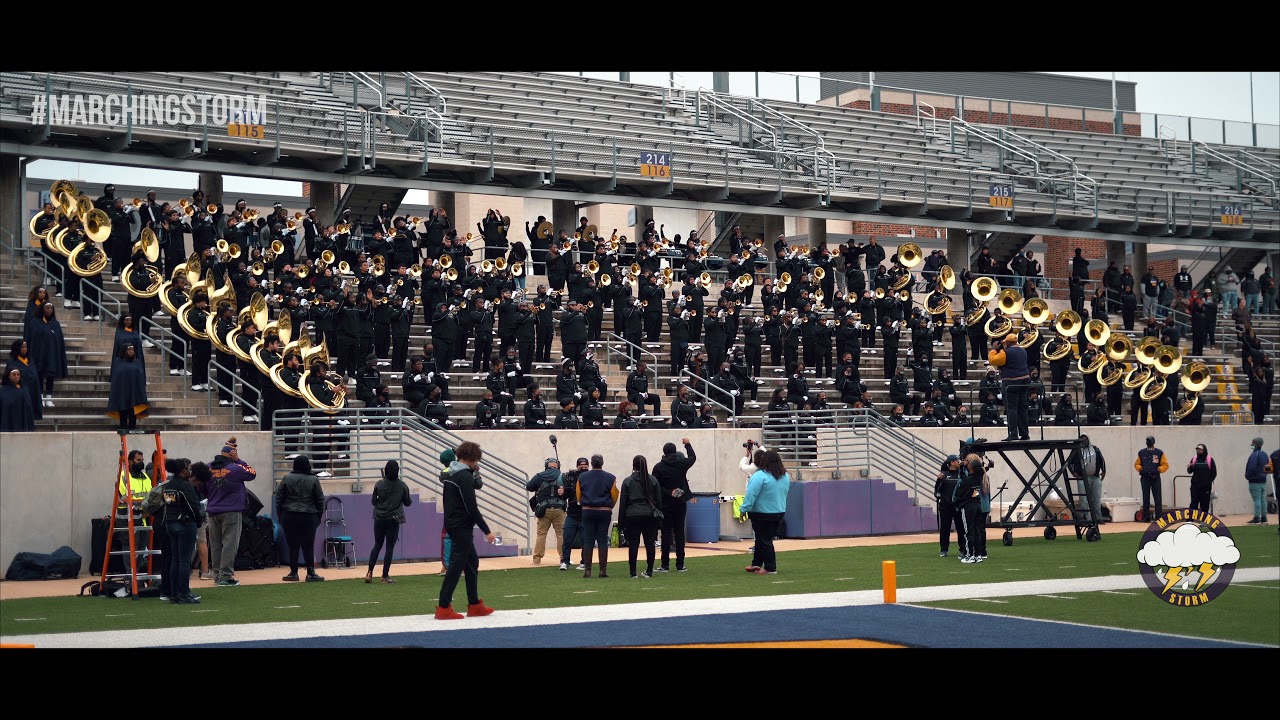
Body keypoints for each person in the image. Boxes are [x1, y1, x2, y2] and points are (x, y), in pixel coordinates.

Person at [435, 441, 497, 619]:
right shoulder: (464, 476)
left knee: (471, 562)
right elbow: (471, 507)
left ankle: (474, 604)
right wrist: (487, 530)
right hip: (462, 524)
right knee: (457, 564)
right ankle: (443, 607)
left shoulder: (451, 473)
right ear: (472, 458)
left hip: (453, 523)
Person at [206, 438, 257, 587]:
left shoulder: (208, 468)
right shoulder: (236, 468)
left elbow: (202, 488)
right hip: (231, 511)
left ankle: (217, 575)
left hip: (213, 510)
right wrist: (239, 460)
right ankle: (226, 576)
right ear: (232, 455)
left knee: (215, 544)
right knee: (230, 544)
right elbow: (252, 473)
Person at [275, 454, 326, 582]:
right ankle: (310, 572)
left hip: (289, 515)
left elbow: (279, 499)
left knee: (293, 545)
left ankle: (293, 572)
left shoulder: (287, 478)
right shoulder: (313, 479)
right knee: (308, 545)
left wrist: (281, 516)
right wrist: (318, 517)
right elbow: (320, 500)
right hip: (309, 516)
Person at [160, 457, 203, 605]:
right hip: (185, 524)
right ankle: (185, 594)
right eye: (188, 468)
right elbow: (194, 507)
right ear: (183, 470)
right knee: (184, 561)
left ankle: (174, 594)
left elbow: (168, 504)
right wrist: (198, 521)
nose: (190, 470)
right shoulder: (186, 486)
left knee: (175, 560)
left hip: (170, 523)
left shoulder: (168, 485)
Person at [741, 449, 790, 574]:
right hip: (778, 511)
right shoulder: (785, 476)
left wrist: (744, 509)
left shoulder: (759, 476)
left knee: (765, 540)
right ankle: (756, 563)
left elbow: (750, 495)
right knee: (762, 538)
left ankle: (770, 567)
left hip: (761, 513)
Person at [653, 438, 696, 573]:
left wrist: (668, 492)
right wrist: (687, 444)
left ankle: (665, 564)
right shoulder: (681, 464)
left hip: (666, 504)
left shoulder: (658, 467)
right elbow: (692, 457)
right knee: (679, 533)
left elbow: (656, 486)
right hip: (680, 502)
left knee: (666, 534)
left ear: (664, 452)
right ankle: (680, 564)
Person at [367, 459, 412, 583]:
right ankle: (384, 576)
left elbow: (373, 502)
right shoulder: (402, 485)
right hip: (393, 520)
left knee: (377, 545)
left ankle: (369, 573)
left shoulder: (379, 484)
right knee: (389, 548)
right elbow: (408, 503)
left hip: (379, 519)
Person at [619, 455, 662, 579]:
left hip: (632, 515)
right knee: (650, 543)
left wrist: (621, 523)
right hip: (649, 515)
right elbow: (658, 501)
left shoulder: (628, 481)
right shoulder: (653, 480)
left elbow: (623, 503)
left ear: (633, 465)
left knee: (633, 544)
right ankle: (649, 571)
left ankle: (633, 572)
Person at [576, 454, 618, 578]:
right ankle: (602, 570)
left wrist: (583, 503)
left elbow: (578, 495)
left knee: (588, 540)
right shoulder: (611, 477)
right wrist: (609, 506)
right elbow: (614, 495)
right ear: (602, 462)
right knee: (602, 540)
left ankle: (587, 570)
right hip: (604, 511)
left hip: (588, 510)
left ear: (592, 463)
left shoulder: (582, 477)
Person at [525, 457, 567, 566]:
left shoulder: (539, 476)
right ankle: (563, 558)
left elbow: (529, 487)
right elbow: (569, 490)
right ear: (558, 466)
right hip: (559, 510)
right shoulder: (562, 476)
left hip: (543, 510)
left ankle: (537, 559)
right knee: (561, 534)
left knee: (541, 534)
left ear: (546, 466)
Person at [989, 332, 1030, 441]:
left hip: (1012, 383)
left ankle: (1013, 434)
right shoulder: (1023, 351)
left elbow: (993, 360)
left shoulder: (1005, 352)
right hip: (1025, 381)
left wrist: (993, 349)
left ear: (1007, 343)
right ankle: (1025, 434)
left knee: (1012, 409)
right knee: (1022, 408)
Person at [25, 303, 67, 409]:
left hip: (51, 354)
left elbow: (59, 340)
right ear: (42, 309)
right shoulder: (35, 322)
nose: (49, 310)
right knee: (39, 376)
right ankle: (40, 397)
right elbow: (32, 338)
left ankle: (48, 397)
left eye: (51, 308)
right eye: (47, 308)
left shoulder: (55, 324)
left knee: (50, 376)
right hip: (39, 354)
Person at [1067, 434, 1107, 535]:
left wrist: (1104, 471)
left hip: (1095, 476)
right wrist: (1073, 472)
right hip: (1082, 477)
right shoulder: (1076, 450)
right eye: (1081, 440)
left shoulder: (1095, 449)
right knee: (1084, 499)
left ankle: (1098, 518)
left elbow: (1102, 460)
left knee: (1096, 499)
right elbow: (1068, 462)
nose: (1083, 442)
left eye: (1085, 440)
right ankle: (1086, 517)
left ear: (1088, 440)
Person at [106, 344, 149, 429]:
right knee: (123, 412)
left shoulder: (137, 362)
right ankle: (123, 430)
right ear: (124, 351)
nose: (131, 352)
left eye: (132, 350)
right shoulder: (118, 362)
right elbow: (117, 377)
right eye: (129, 350)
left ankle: (132, 429)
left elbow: (140, 375)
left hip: (134, 392)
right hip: (122, 393)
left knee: (133, 413)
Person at [559, 457, 589, 571]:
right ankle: (565, 561)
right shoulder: (570, 477)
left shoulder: (590, 478)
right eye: (581, 467)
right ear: (577, 467)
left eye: (586, 467)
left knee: (585, 540)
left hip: (585, 514)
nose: (583, 469)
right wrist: (562, 492)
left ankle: (584, 562)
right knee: (567, 539)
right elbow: (565, 494)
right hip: (572, 514)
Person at [954, 455, 984, 563]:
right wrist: (963, 468)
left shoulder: (968, 480)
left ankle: (969, 555)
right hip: (977, 505)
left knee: (968, 531)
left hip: (968, 507)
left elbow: (959, 492)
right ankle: (978, 555)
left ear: (971, 468)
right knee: (977, 531)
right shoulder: (978, 478)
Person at [1134, 435, 1169, 522]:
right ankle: (1146, 517)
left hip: (1155, 478)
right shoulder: (1141, 453)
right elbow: (1137, 464)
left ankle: (1158, 517)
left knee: (1157, 498)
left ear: (1153, 442)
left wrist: (1159, 469)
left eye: (1149, 441)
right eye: (1147, 441)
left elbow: (1165, 464)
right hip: (1145, 478)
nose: (1148, 443)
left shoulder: (1159, 452)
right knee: (1145, 498)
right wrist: (1140, 469)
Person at [934, 455, 963, 558]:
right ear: (951, 463)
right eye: (956, 460)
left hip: (958, 506)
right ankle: (944, 550)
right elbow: (937, 491)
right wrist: (939, 481)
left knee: (961, 529)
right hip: (945, 507)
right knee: (945, 529)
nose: (958, 462)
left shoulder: (961, 475)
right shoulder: (944, 475)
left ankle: (963, 550)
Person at [1184, 443, 1218, 514]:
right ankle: (1190, 520)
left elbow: (1214, 473)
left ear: (1204, 450)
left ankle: (1203, 520)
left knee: (1204, 505)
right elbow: (1189, 471)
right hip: (1195, 486)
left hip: (1206, 487)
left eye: (1200, 449)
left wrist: (1208, 482)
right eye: (1197, 449)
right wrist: (1190, 467)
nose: (1198, 451)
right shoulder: (1194, 459)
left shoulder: (1210, 460)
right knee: (1194, 503)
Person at [1245, 437, 1270, 525]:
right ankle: (1264, 517)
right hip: (1263, 479)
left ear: (1256, 444)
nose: (1251, 445)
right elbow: (1268, 467)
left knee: (1257, 499)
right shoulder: (1265, 454)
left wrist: (1248, 476)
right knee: (1263, 499)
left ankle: (1257, 518)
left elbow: (1251, 467)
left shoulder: (1255, 455)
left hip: (1255, 480)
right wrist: (1264, 475)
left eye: (1253, 443)